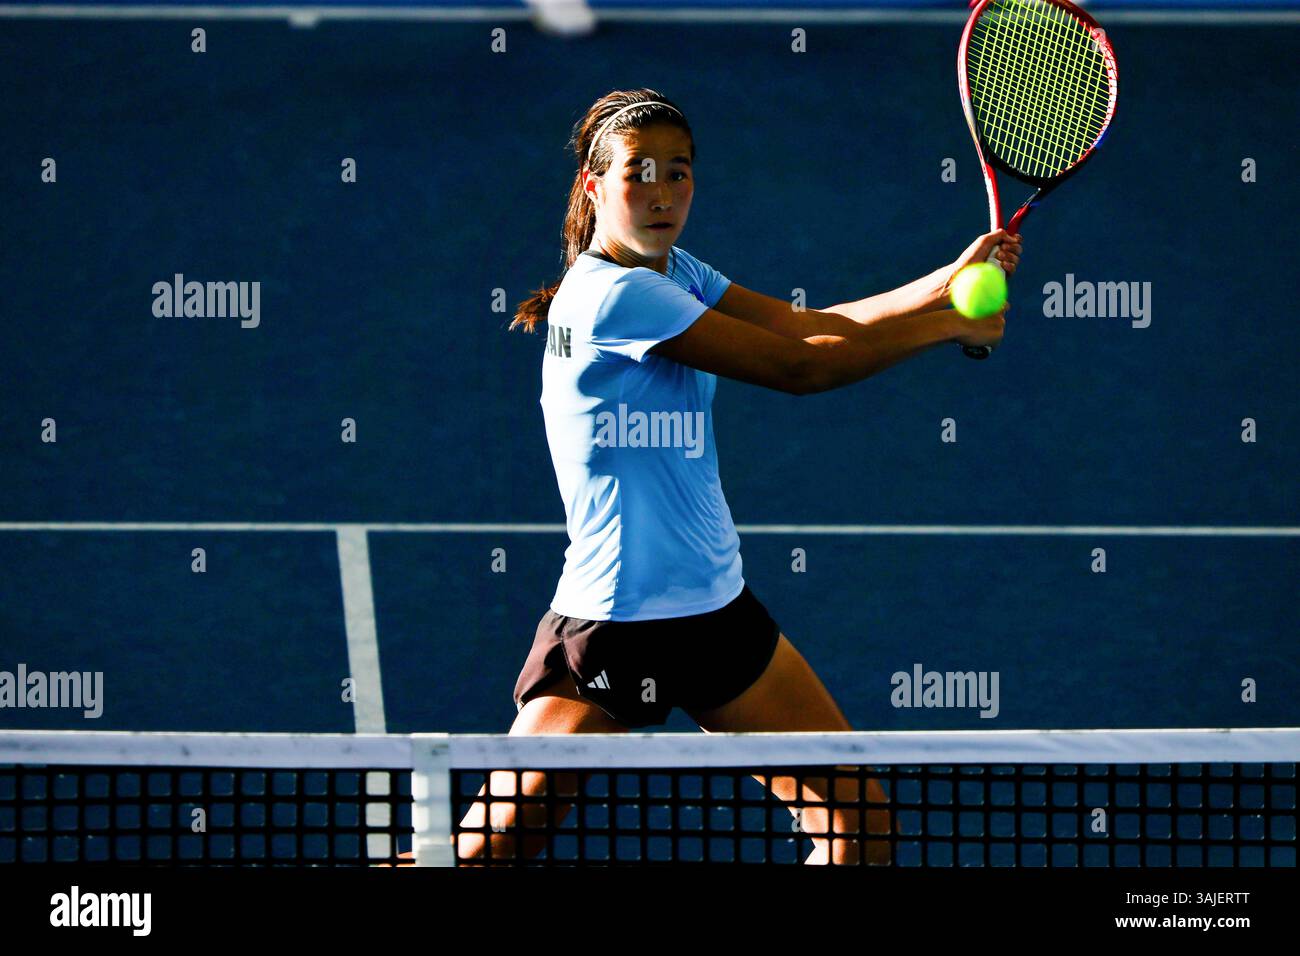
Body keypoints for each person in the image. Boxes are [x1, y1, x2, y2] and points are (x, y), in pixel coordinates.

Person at [459, 88, 1022, 865]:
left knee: (860, 827)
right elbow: (797, 367)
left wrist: (943, 282)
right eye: (639, 173)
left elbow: (802, 323)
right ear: (595, 187)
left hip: (716, 613)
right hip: (614, 624)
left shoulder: (677, 270)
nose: (662, 193)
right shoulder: (612, 296)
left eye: (679, 172)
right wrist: (950, 325)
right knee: (482, 857)